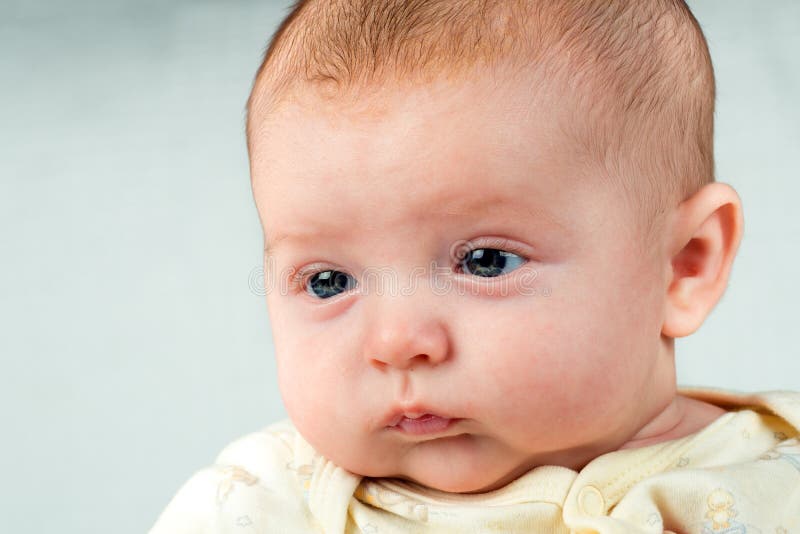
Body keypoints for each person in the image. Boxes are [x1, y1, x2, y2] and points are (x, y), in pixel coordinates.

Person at [150, 0, 800, 532]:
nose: (397, 342)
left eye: (485, 262)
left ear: (684, 265)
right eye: (329, 282)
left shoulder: (779, 486)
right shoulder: (263, 503)